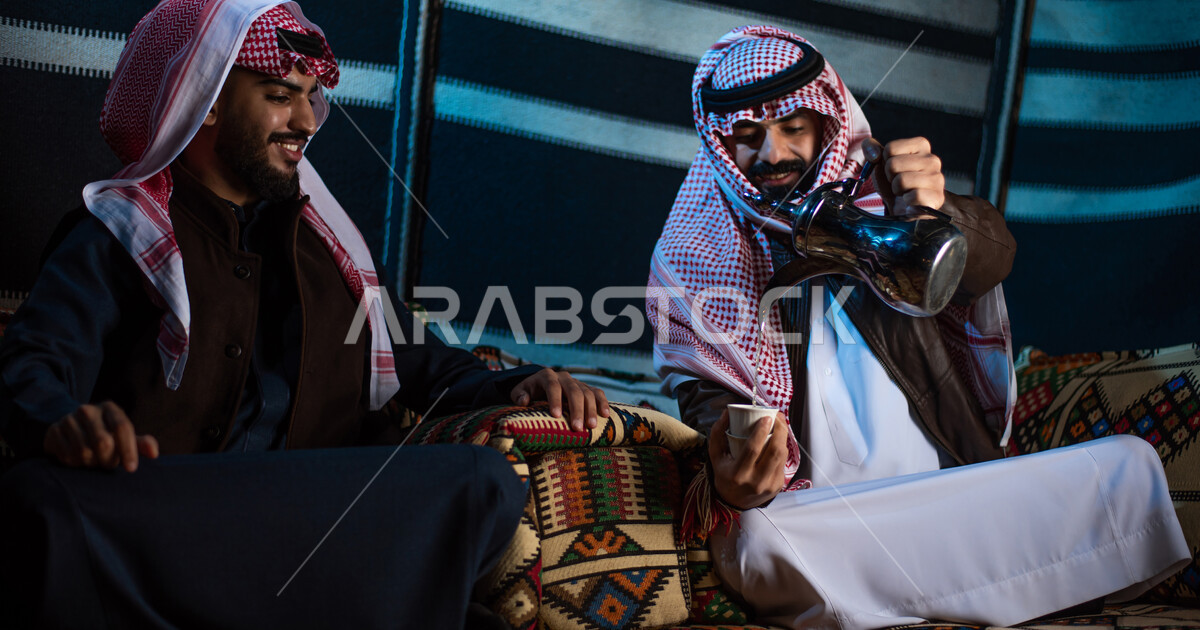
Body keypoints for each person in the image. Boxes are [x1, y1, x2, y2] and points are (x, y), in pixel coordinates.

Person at [0, 1, 608, 627]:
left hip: (309, 525)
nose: (305, 121)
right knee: (40, 503)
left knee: (481, 482)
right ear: (206, 100)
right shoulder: (117, 235)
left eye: (312, 98)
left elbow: (425, 365)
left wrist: (519, 382)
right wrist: (64, 423)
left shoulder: (330, 251)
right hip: (169, 520)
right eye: (278, 95)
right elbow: (33, 366)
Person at [647, 25, 1189, 629]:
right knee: (759, 537)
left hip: (947, 498)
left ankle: (909, 594)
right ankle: (1008, 583)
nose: (772, 154)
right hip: (813, 518)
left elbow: (991, 259)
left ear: (825, 123)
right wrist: (734, 482)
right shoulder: (699, 251)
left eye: (792, 127)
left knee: (1129, 469)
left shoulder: (893, 201)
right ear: (723, 143)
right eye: (748, 136)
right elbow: (706, 403)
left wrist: (939, 213)